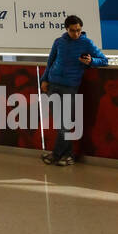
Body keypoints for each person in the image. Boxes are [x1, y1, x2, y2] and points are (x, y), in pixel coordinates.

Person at [39, 15, 107, 166]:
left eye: (78, 30)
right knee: (60, 123)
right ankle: (67, 155)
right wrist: (44, 79)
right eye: (72, 30)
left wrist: (91, 61)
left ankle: (57, 154)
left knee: (65, 123)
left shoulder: (86, 43)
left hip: (70, 86)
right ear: (66, 29)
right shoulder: (59, 42)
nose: (76, 33)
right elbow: (50, 61)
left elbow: (104, 60)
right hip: (53, 85)